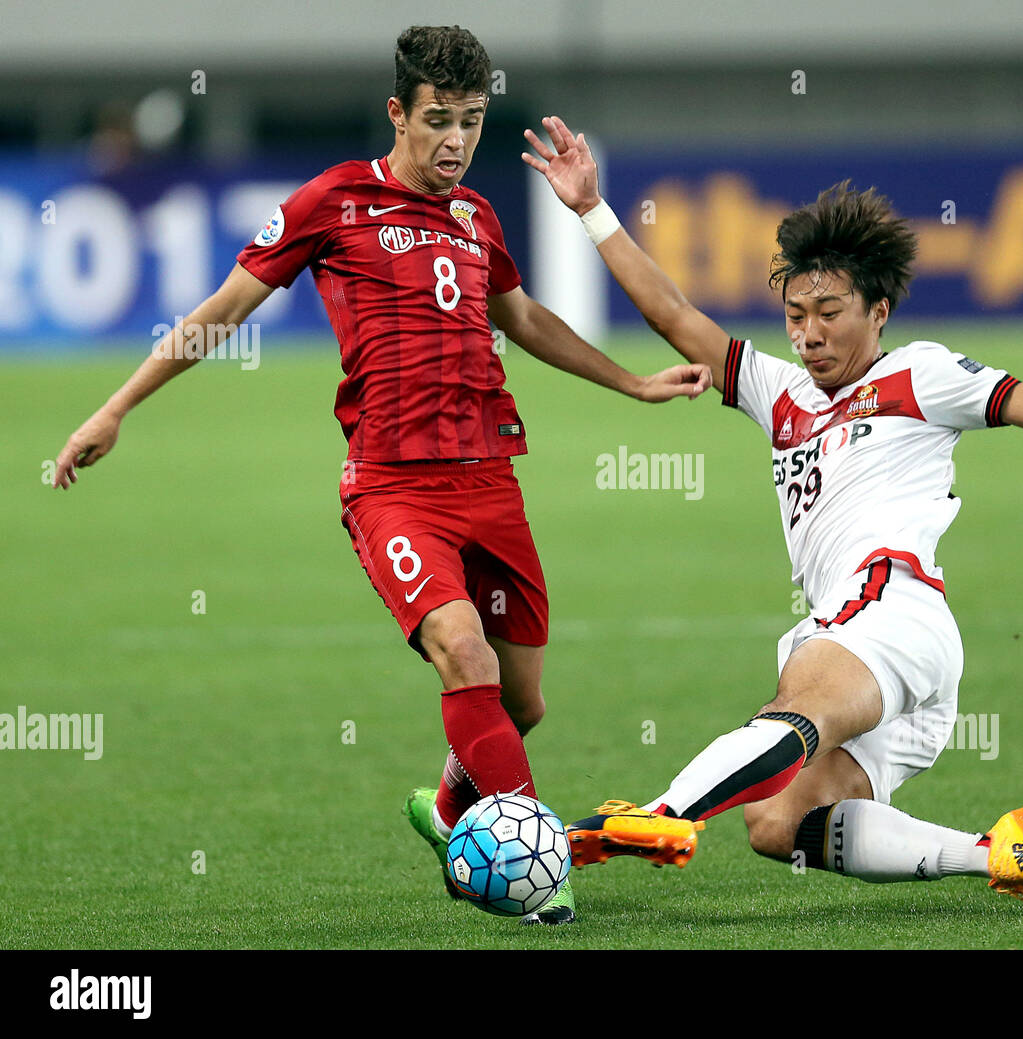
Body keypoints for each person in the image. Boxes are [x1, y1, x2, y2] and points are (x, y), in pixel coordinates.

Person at [522, 115, 1023, 905]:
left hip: (887, 607)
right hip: (887, 646)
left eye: (831, 312)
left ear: (879, 311)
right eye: (796, 315)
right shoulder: (778, 392)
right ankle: (993, 851)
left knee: (794, 710)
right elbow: (674, 316)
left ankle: (660, 813)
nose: (810, 334)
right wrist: (591, 209)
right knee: (778, 820)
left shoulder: (922, 376)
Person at [51, 31, 710, 927]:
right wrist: (117, 406)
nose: (455, 141)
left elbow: (521, 316)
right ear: (398, 114)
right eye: (438, 120)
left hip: (492, 483)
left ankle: (449, 810)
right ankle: (537, 868)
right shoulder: (334, 201)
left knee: (521, 703)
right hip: (392, 489)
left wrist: (631, 383)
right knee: (462, 652)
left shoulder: (478, 216)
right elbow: (221, 310)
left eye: (472, 122)